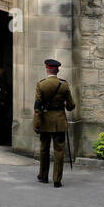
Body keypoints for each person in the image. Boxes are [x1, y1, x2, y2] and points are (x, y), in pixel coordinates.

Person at [34, 58, 76, 187]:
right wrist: (63, 104)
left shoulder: (41, 84)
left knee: (44, 149)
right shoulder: (64, 85)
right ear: (57, 70)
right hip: (59, 122)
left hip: (45, 121)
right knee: (59, 151)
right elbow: (71, 105)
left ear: (47, 70)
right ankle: (57, 180)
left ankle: (43, 176)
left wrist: (36, 124)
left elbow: (37, 108)